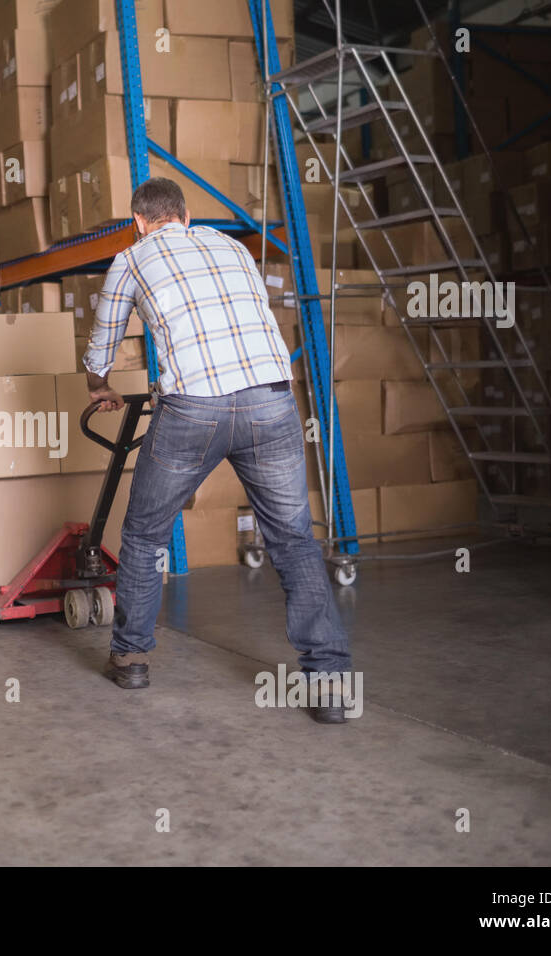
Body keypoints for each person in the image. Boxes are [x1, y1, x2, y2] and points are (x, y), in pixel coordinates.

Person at [82, 177, 353, 724]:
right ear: (186, 215)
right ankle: (329, 685)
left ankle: (132, 657)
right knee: (295, 540)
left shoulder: (131, 259)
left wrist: (98, 386)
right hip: (272, 401)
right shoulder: (231, 246)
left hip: (194, 409)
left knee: (142, 533)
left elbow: (103, 343)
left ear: (140, 221)